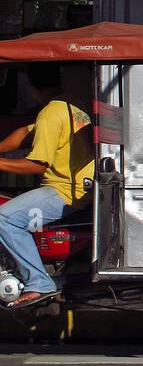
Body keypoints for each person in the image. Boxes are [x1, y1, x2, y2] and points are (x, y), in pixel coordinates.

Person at [0, 64, 94, 308]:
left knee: (4, 218)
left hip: (66, 191)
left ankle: (39, 282)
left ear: (30, 87)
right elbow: (24, 133)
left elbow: (37, 165)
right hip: (79, 186)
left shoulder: (50, 113)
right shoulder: (70, 103)